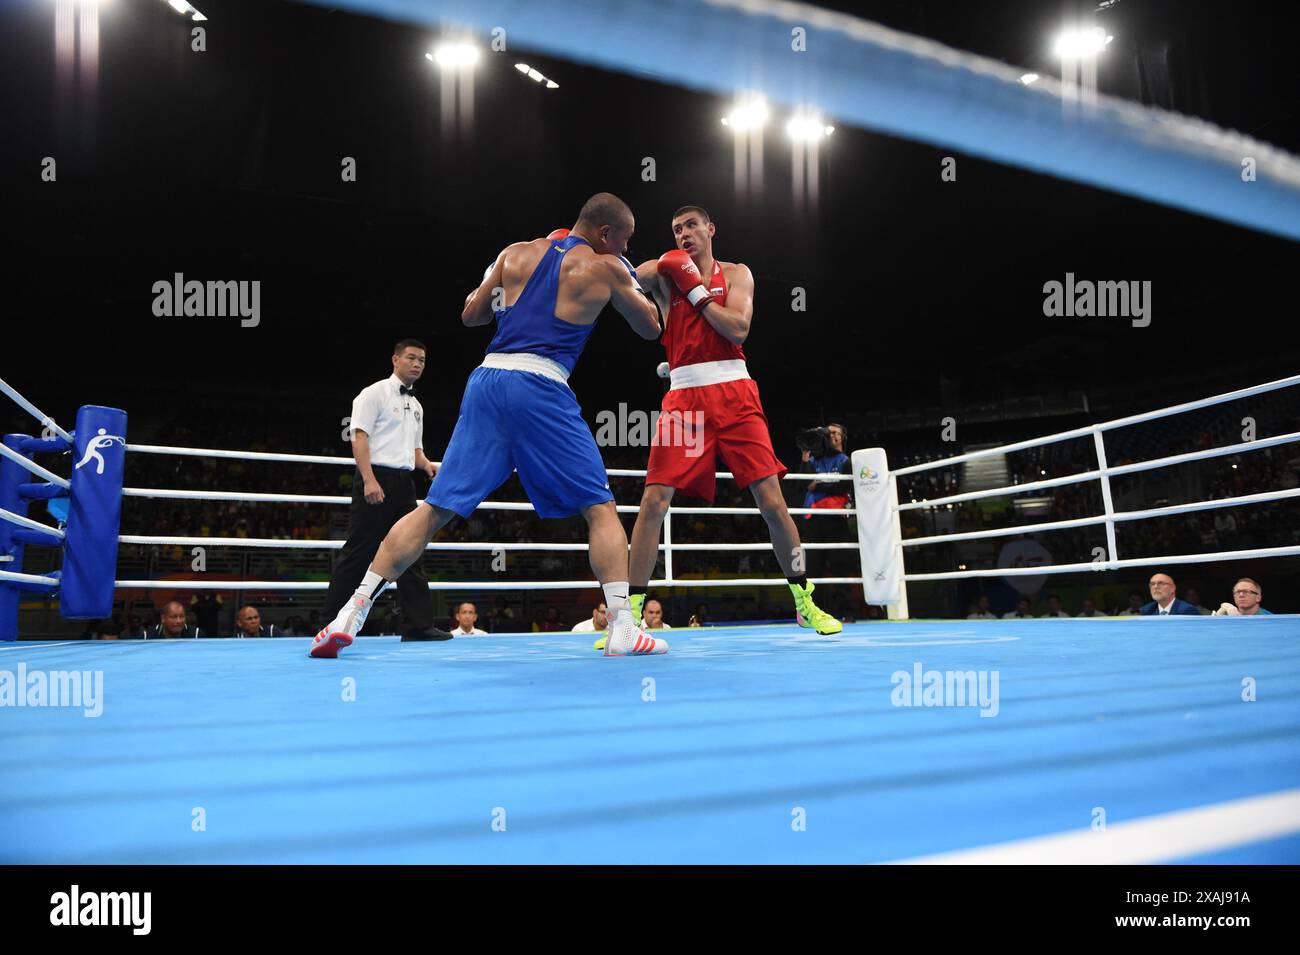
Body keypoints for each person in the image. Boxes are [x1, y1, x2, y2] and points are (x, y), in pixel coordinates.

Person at [311, 194, 667, 658]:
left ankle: (349, 614)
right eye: (626, 238)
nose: (627, 245)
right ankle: (623, 627)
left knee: (434, 507)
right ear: (607, 233)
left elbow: (470, 313)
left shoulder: (514, 252)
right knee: (599, 507)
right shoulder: (608, 266)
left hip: (488, 380)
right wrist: (637, 279)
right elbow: (651, 329)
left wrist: (501, 288)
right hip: (541, 383)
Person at [623, 204, 841, 639]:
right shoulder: (666, 275)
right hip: (683, 398)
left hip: (736, 394)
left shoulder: (738, 274)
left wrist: (697, 291)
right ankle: (628, 618)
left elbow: (738, 329)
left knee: (774, 505)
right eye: (676, 229)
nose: (684, 234)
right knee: (653, 504)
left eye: (690, 226)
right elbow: (628, 276)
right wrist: (657, 264)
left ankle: (804, 602)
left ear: (710, 229)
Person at [323, 340, 438, 639]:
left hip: (404, 484)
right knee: (359, 552)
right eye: (411, 358)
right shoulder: (372, 393)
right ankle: (328, 623)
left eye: (422, 360)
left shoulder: (417, 406)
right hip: (375, 478)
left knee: (411, 553)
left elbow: (416, 451)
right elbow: (359, 437)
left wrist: (426, 465)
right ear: (395, 360)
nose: (417, 364)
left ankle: (418, 626)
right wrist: (369, 478)